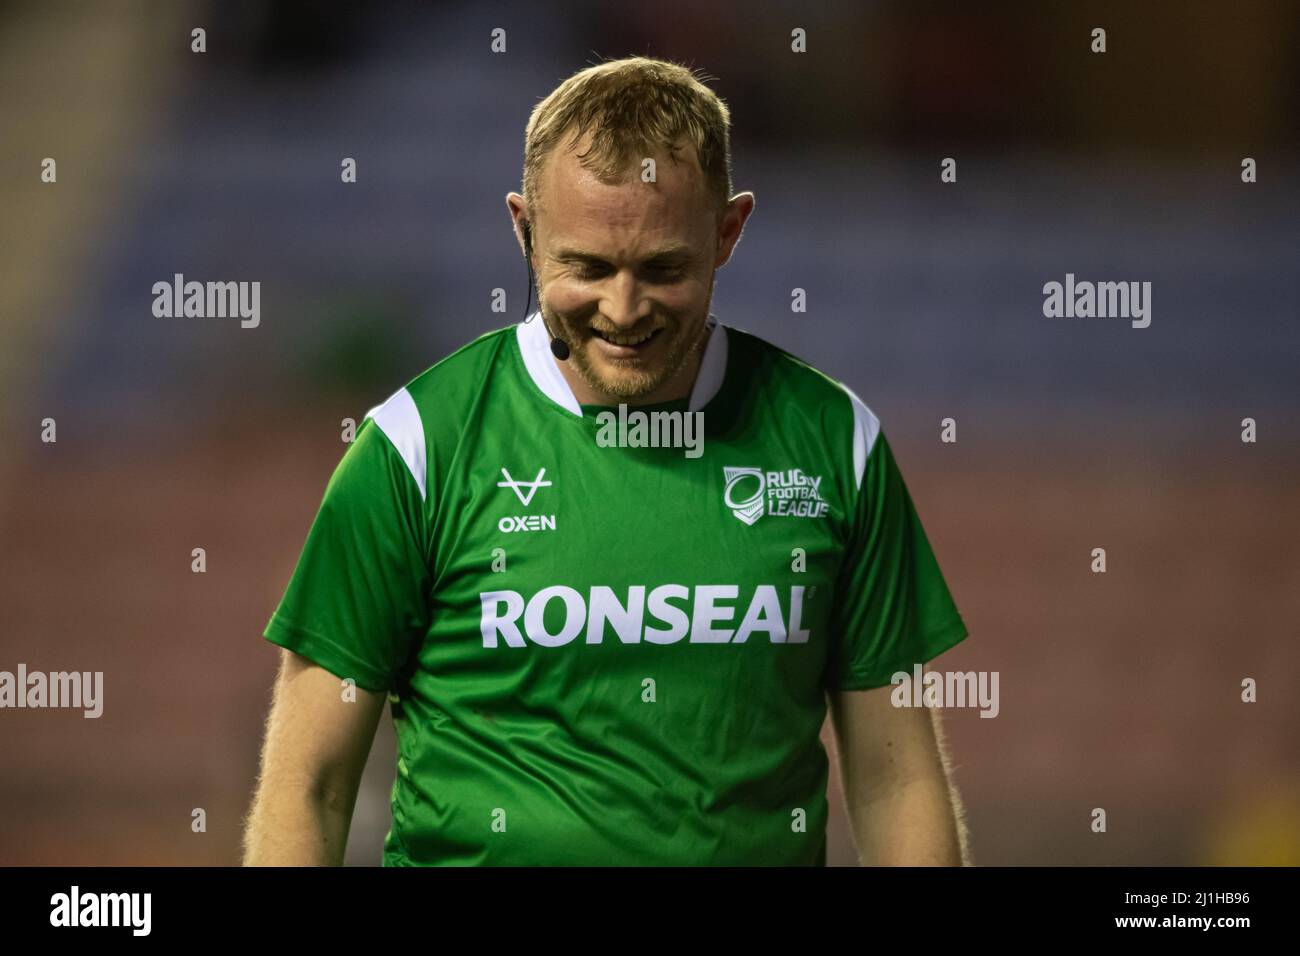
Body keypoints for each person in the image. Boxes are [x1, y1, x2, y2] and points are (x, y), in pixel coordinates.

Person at [243, 55, 971, 866]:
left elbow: (895, 781)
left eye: (663, 269)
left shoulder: (835, 443)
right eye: (586, 267)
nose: (623, 311)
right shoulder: (416, 449)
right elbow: (308, 787)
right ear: (524, 230)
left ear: (728, 232)